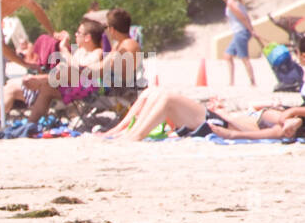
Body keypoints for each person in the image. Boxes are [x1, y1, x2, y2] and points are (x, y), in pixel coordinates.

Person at [0, 16, 104, 134]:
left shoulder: (97, 53)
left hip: (77, 91)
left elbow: (80, 70)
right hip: (61, 86)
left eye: (78, 33)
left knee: (11, 89)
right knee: (0, 91)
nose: (75, 35)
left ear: (87, 38)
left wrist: (63, 50)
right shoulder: (79, 51)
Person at [102, 89, 304, 141]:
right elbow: (290, 114)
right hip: (222, 118)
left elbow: (256, 134)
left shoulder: (281, 128)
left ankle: (134, 136)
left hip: (221, 125)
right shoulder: (281, 118)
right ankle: (119, 131)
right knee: (151, 92)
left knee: (166, 98)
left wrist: (231, 133)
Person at [220, 0, 258, 87]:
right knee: (227, 56)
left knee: (244, 58)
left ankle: (252, 82)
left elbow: (242, 17)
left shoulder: (230, 2)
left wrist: (251, 30)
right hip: (239, 31)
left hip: (240, 32)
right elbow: (245, 16)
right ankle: (231, 82)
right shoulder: (236, 1)